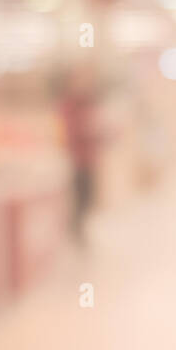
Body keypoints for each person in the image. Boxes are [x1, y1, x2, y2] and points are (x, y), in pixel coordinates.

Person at [60, 64, 101, 246]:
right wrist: (87, 128)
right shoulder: (69, 106)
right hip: (76, 160)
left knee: (89, 197)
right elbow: (70, 131)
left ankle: (79, 229)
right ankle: (75, 230)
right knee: (79, 198)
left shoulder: (89, 102)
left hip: (90, 158)